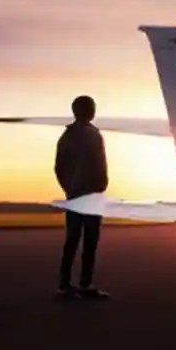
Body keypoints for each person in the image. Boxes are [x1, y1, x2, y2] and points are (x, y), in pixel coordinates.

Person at [54, 94, 110, 300]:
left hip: (75, 194)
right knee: (89, 240)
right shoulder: (93, 135)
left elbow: (59, 167)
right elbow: (99, 164)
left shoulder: (67, 136)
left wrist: (68, 188)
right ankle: (84, 284)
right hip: (91, 194)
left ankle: (65, 284)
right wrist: (100, 185)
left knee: (73, 239)